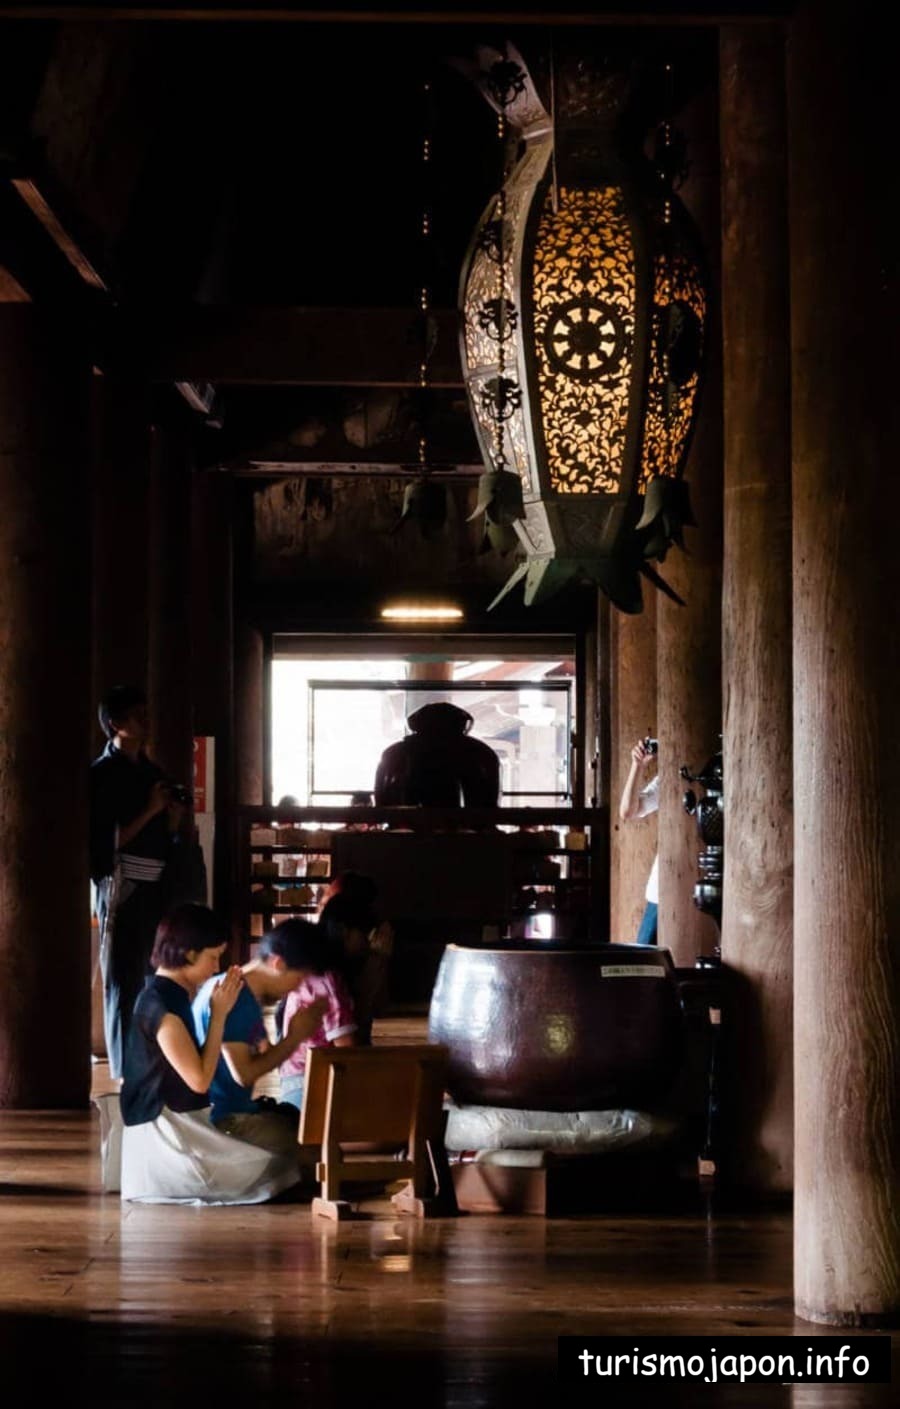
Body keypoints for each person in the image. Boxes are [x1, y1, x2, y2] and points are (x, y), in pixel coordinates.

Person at [119, 905, 300, 1204]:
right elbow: (199, 1081)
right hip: (166, 1139)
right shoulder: (160, 1005)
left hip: (183, 1124)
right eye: (213, 957)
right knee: (277, 1166)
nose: (216, 968)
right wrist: (218, 1016)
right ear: (189, 954)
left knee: (283, 1158)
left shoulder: (171, 995)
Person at [90, 685, 189, 1079]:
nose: (146, 722)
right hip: (123, 885)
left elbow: (167, 838)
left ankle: (154, 1061)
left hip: (157, 885)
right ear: (116, 723)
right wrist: (150, 810)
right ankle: (124, 1069)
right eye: (138, 716)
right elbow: (105, 839)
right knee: (121, 978)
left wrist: (172, 821)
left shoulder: (153, 773)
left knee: (157, 974)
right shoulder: (101, 775)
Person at [191, 919, 330, 1154]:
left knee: (306, 1125)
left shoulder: (241, 992)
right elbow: (244, 1075)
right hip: (224, 1121)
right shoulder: (236, 998)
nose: (297, 988)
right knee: (315, 1146)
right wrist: (295, 1037)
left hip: (234, 1111)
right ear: (278, 964)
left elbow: (265, 1056)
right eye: (298, 979)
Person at [277, 942, 358, 1113]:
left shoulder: (305, 975)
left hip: (292, 1081)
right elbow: (346, 1049)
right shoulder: (325, 979)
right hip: (312, 1081)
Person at [374, 701, 500, 808]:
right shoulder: (480, 752)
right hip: (469, 825)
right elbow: (491, 799)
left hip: (405, 824)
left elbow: (381, 795)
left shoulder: (395, 752)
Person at [317, 872, 394, 1043]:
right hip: (332, 1055)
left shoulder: (356, 960)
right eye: (365, 935)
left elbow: (378, 1009)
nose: (368, 942)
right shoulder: (328, 978)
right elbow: (349, 1043)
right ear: (344, 931)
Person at [619, 737, 659, 946]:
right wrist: (638, 765)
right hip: (663, 889)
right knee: (644, 959)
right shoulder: (673, 776)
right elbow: (628, 811)